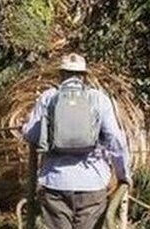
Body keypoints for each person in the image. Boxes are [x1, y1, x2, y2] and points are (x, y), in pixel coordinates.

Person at [21, 53, 131, 229]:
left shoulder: (48, 98)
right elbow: (115, 140)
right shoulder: (98, 99)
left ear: (61, 74)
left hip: (55, 184)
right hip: (92, 185)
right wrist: (123, 176)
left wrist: (25, 126)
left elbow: (31, 135)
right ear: (84, 76)